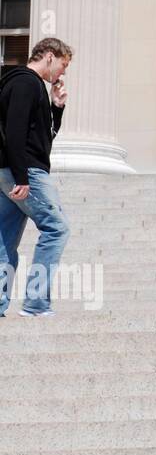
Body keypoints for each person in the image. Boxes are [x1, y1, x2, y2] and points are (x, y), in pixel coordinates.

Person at [0, 37, 73, 317]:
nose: (62, 74)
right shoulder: (27, 83)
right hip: (25, 171)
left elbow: (42, 140)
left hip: (10, 170)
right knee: (56, 229)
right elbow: (16, 131)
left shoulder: (19, 84)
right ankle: (36, 303)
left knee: (4, 237)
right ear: (50, 57)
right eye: (63, 66)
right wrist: (22, 176)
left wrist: (56, 107)